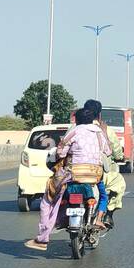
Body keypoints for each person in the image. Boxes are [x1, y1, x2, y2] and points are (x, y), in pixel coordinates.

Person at [26, 107, 105, 251]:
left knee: (47, 200)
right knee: (104, 194)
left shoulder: (74, 131)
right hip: (96, 174)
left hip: (73, 173)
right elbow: (108, 151)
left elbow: (61, 152)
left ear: (78, 120)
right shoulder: (99, 133)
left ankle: (42, 239)